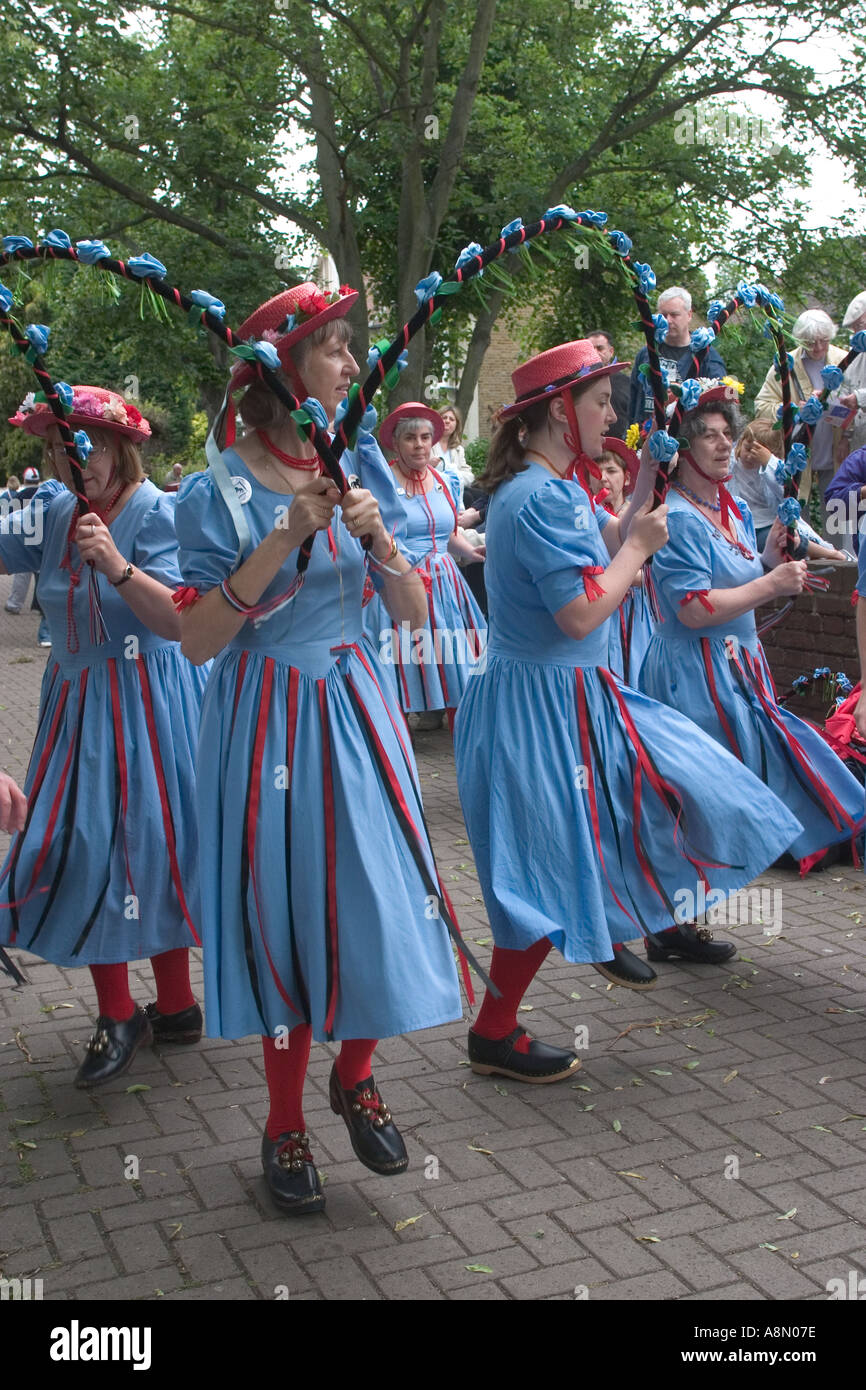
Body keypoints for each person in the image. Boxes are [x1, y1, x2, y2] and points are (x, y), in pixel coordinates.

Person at [174, 284, 465, 1216]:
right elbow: (198, 640)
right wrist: (284, 532)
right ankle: (284, 1118)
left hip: (361, 708)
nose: (350, 363)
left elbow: (414, 617)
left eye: (348, 347)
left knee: (382, 899)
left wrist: (379, 541)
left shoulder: (361, 462)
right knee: (284, 915)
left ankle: (358, 1075)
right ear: (283, 368)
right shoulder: (214, 486)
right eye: (334, 347)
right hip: (268, 719)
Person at [454, 341, 804, 1084]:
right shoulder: (538, 495)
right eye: (601, 402)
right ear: (559, 410)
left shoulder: (555, 485)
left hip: (569, 695)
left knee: (653, 794)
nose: (614, 413)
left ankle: (608, 918)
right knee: (539, 867)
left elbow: (602, 541)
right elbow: (583, 612)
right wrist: (640, 548)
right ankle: (499, 1027)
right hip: (538, 702)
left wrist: (643, 485)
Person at [0, 386, 207, 1087]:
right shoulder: (52, 511)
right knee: (84, 846)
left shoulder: (156, 512)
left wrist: (117, 564)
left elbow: (181, 623)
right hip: (74, 706)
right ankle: (120, 1011)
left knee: (159, 843)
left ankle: (176, 1005)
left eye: (83, 444)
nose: (70, 459)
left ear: (121, 448)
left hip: (152, 698)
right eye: (59, 445)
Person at [639, 383, 863, 875]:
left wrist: (769, 559)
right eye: (708, 437)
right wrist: (771, 582)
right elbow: (694, 610)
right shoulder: (675, 518)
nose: (723, 445)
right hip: (693, 675)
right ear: (682, 449)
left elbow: (741, 572)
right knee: (718, 787)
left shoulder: (734, 508)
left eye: (726, 434)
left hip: (737, 664)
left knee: (779, 767)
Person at [361, 402, 486, 733]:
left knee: (457, 662)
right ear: (397, 443)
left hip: (446, 584)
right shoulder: (382, 481)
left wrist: (471, 552)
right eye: (411, 438)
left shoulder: (446, 481)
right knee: (401, 661)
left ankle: (465, 735)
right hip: (400, 580)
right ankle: (397, 739)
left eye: (425, 437)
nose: (419, 445)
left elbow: (447, 534)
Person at [754, 309, 847, 533]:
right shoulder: (785, 364)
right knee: (797, 523)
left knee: (841, 521)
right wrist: (792, 410)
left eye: (823, 341)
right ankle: (801, 563)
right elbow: (761, 407)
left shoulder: (844, 359)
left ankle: (843, 564)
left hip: (836, 452)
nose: (816, 348)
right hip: (797, 454)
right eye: (809, 342)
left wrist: (847, 434)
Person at [735, 419, 849, 560]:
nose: (749, 456)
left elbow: (787, 492)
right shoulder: (730, 464)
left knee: (789, 539)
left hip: (771, 523)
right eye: (747, 449)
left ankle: (829, 553)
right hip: (744, 525)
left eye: (757, 454)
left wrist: (768, 462)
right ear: (741, 443)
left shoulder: (774, 469)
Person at [594, 440, 656, 683]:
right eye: (597, 470)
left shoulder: (637, 517)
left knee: (635, 671)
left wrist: (623, 575)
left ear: (628, 478)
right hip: (600, 612)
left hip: (635, 613)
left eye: (611, 471)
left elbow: (652, 570)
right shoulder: (588, 515)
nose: (603, 477)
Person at [628, 287, 726, 427]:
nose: (668, 320)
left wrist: (682, 393)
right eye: (663, 315)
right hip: (645, 437)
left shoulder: (706, 356)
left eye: (674, 315)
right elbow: (633, 400)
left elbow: (720, 400)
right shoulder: (647, 354)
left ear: (689, 315)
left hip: (687, 438)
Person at [3, 467, 41, 614]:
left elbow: (11, 518)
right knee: (42, 576)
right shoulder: (46, 494)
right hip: (43, 541)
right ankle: (40, 608)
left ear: (25, 480)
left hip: (25, 540)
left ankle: (14, 604)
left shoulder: (20, 496)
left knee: (21, 576)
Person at [838, 291, 866, 455]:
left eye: (860, 326)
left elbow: (857, 397)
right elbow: (846, 389)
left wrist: (860, 398)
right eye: (853, 328)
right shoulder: (856, 356)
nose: (856, 333)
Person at [587, 330, 630, 438]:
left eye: (600, 348)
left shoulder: (626, 383)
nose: (595, 352)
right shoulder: (580, 385)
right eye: (591, 349)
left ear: (611, 351)